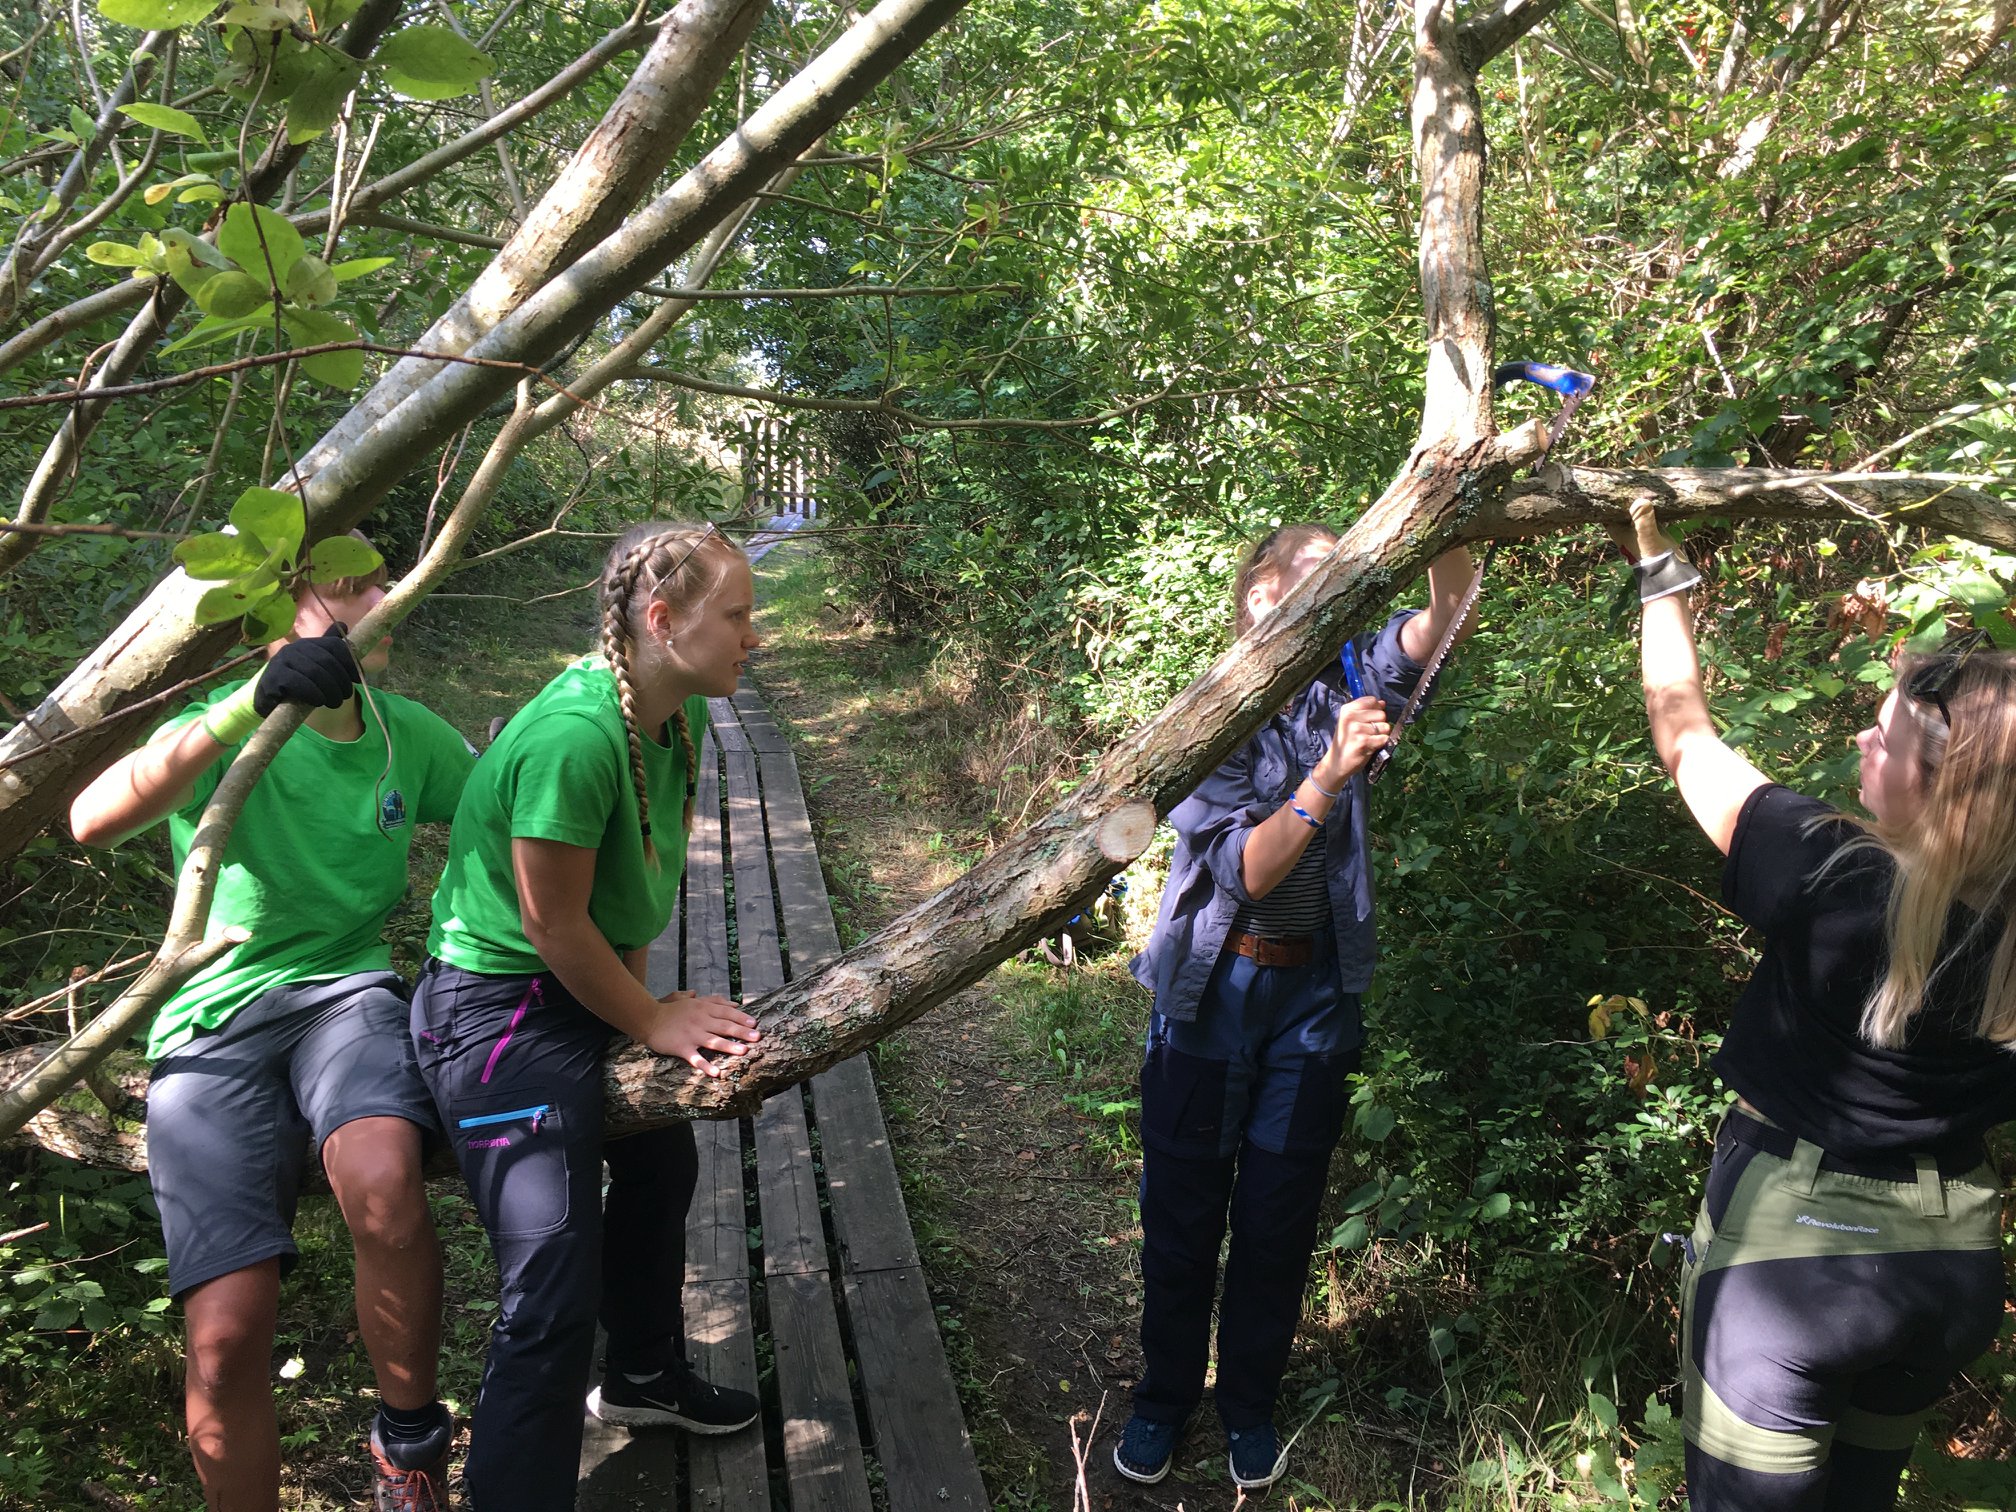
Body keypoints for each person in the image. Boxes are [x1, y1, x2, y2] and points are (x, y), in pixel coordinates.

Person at [1609, 499, 2016, 1511]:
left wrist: (1661, 577)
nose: (1861, 745)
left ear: (1939, 786)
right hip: (1952, 1272)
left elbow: (1683, 732)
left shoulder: (1831, 874)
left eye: (1881, 739)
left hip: (1790, 1268)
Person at [69, 545, 475, 1512]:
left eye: (386, 581)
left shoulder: (403, 735)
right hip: (212, 1020)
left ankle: (408, 1444)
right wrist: (248, 704)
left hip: (346, 990)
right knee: (224, 1331)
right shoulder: (223, 730)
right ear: (276, 614)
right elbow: (90, 819)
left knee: (381, 1177)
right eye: (352, 590)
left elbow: (511, 813)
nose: (383, 602)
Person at [1115, 525, 1482, 1491]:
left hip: (1314, 1002)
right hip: (1210, 994)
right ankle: (1161, 1401)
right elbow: (1241, 869)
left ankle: (1248, 1409)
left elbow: (1446, 613)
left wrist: (1464, 505)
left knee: (1277, 1223)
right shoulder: (1210, 713)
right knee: (1185, 1220)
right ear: (1260, 592)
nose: (1342, 583)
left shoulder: (1350, 678)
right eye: (1319, 568)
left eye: (1348, 569)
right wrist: (1326, 775)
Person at [410, 521, 765, 1512]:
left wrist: (636, 1013)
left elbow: (633, 896)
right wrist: (650, 1019)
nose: (753, 637)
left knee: (660, 1153)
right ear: (663, 621)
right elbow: (551, 921)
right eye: (738, 615)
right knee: (552, 1282)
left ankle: (645, 1377)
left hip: (574, 984)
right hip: (493, 1015)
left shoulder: (667, 715)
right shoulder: (576, 738)